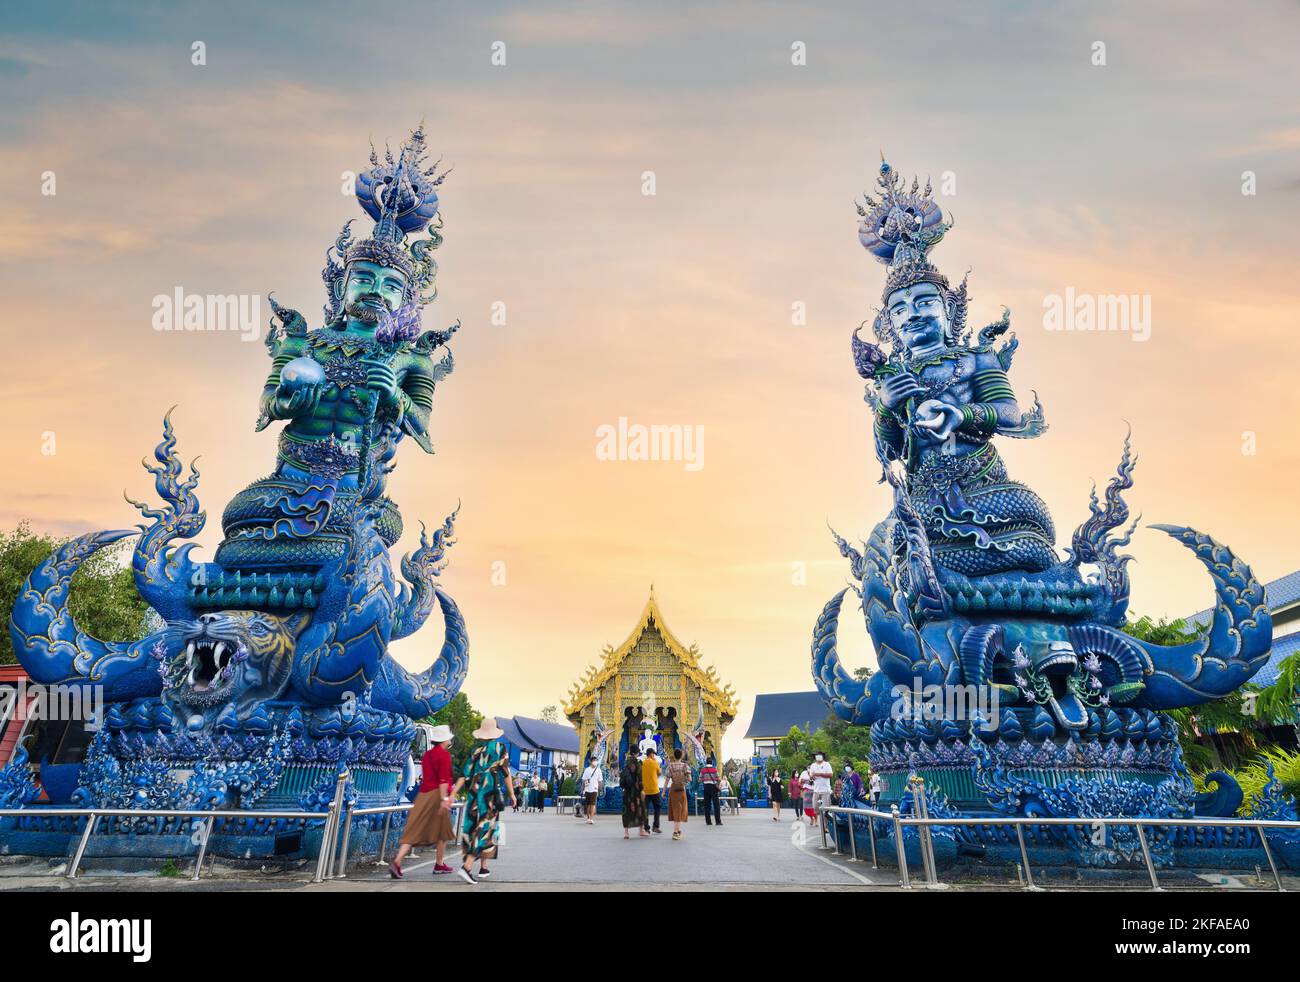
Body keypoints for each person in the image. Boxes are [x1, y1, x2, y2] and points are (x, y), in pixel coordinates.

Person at [451, 717, 515, 885]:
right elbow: (506, 774)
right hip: (489, 793)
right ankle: (467, 867)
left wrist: (452, 795)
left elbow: (464, 775)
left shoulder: (475, 750)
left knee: (474, 827)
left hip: (474, 791)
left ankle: (483, 867)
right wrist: (513, 794)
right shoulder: (500, 748)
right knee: (486, 828)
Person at [389, 723, 455, 878]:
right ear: (445, 740)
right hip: (437, 796)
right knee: (443, 832)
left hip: (423, 795)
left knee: (413, 830)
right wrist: (444, 799)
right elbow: (443, 781)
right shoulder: (444, 756)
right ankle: (439, 864)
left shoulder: (428, 755)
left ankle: (397, 861)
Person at [620, 750, 648, 838]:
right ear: (636, 753)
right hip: (636, 791)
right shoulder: (638, 763)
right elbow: (640, 778)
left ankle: (626, 832)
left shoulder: (625, 763)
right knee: (641, 809)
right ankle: (641, 830)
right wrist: (642, 789)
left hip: (627, 791)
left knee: (627, 810)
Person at [665, 748, 691, 840]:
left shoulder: (670, 766)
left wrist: (664, 791)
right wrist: (684, 778)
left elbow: (667, 779)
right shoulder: (685, 766)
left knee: (675, 809)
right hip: (681, 789)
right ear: (681, 756)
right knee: (680, 810)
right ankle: (676, 832)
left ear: (674, 756)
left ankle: (678, 830)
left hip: (673, 789)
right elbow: (690, 779)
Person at [641, 748, 663, 834]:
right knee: (657, 808)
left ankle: (646, 828)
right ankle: (656, 826)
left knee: (645, 809)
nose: (654, 755)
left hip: (645, 790)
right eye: (653, 754)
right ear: (651, 754)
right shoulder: (655, 763)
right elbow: (660, 773)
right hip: (654, 790)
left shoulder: (642, 763)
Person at [809, 752, 833, 821]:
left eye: (820, 755)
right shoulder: (813, 765)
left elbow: (830, 775)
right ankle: (823, 818)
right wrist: (812, 776)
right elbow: (811, 777)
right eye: (817, 756)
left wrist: (820, 774)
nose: (818, 757)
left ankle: (825, 826)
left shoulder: (827, 764)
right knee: (815, 807)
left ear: (822, 756)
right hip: (816, 790)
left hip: (825, 790)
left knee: (825, 809)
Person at [699, 756, 723, 827]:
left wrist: (705, 779)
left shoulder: (703, 770)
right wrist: (717, 785)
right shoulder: (714, 770)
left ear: (706, 762)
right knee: (716, 805)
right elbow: (718, 779)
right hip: (713, 787)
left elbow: (699, 780)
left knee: (707, 805)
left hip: (706, 787)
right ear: (712, 763)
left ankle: (708, 821)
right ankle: (718, 821)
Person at [580, 756, 604, 824]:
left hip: (594, 789)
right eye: (594, 761)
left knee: (593, 804)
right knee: (588, 804)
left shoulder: (598, 770)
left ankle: (591, 818)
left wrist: (600, 788)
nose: (595, 762)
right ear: (591, 761)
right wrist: (583, 788)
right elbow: (583, 780)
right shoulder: (587, 769)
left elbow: (600, 781)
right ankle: (588, 818)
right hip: (587, 789)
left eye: (596, 761)